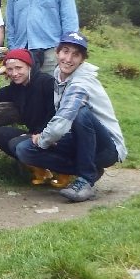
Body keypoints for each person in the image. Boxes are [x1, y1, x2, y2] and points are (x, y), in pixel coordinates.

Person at [13, 32, 126, 203]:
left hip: (106, 147)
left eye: (76, 54)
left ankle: (85, 180)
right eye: (65, 51)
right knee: (24, 149)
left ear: (82, 59)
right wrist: (47, 138)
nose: (69, 58)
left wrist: (44, 139)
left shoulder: (81, 82)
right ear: (57, 53)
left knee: (81, 113)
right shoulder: (59, 74)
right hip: (79, 139)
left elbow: (65, 118)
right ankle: (88, 169)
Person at [0, 49, 56, 167]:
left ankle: (51, 166)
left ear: (29, 66)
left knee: (16, 144)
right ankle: (35, 166)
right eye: (9, 69)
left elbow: (54, 113)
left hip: (52, 136)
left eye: (19, 68)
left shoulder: (47, 82)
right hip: (33, 134)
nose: (14, 73)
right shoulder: (15, 88)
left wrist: (39, 133)